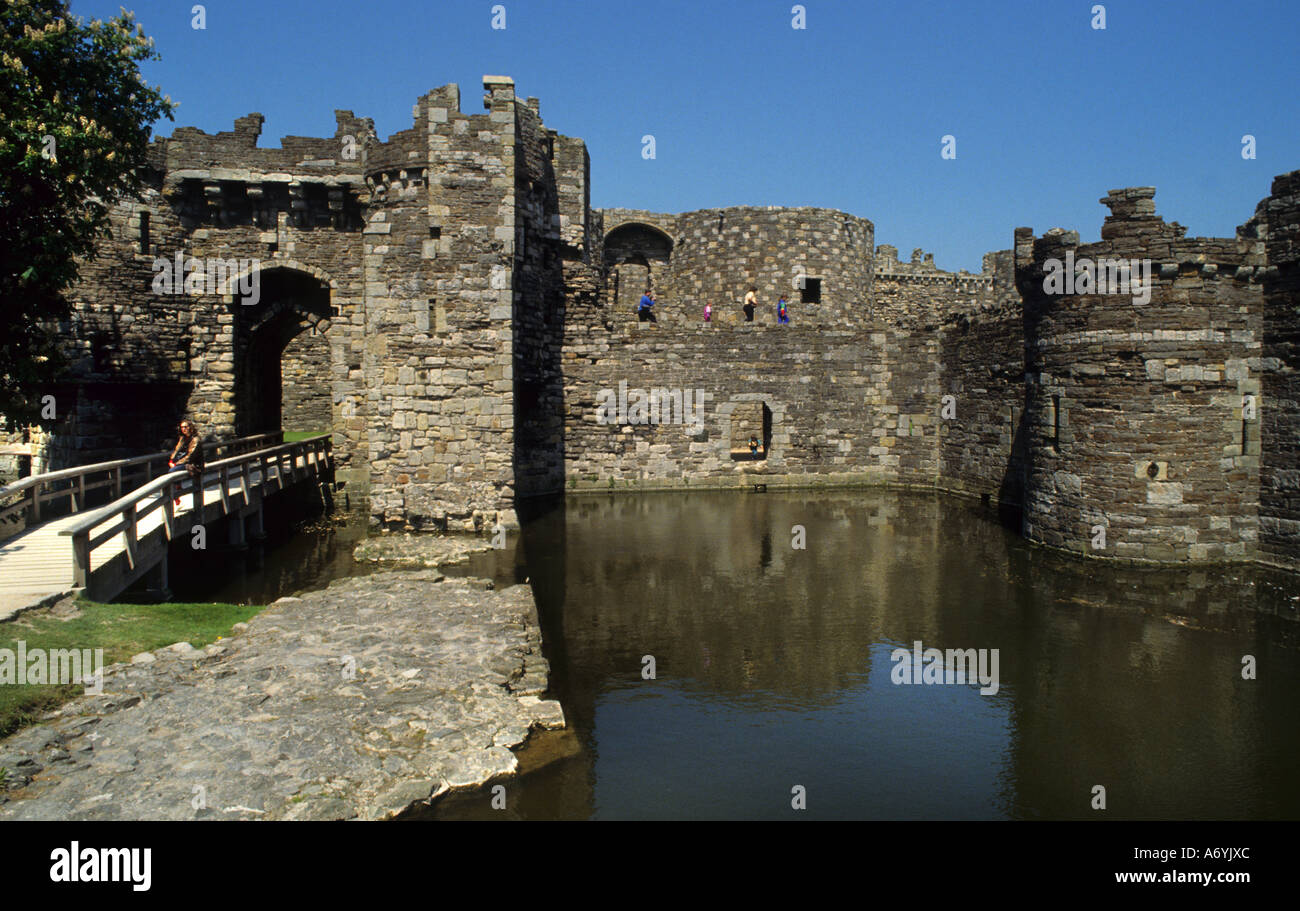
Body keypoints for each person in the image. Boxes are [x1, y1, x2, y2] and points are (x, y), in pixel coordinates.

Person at [169, 418, 205, 504]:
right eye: (182, 427)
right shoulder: (183, 438)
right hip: (183, 462)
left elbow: (190, 456)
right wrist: (171, 460)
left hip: (193, 464)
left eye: (185, 427)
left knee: (171, 471)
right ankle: (177, 490)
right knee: (172, 469)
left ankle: (177, 493)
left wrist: (176, 464)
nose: (183, 429)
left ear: (190, 427)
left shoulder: (196, 439)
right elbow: (176, 450)